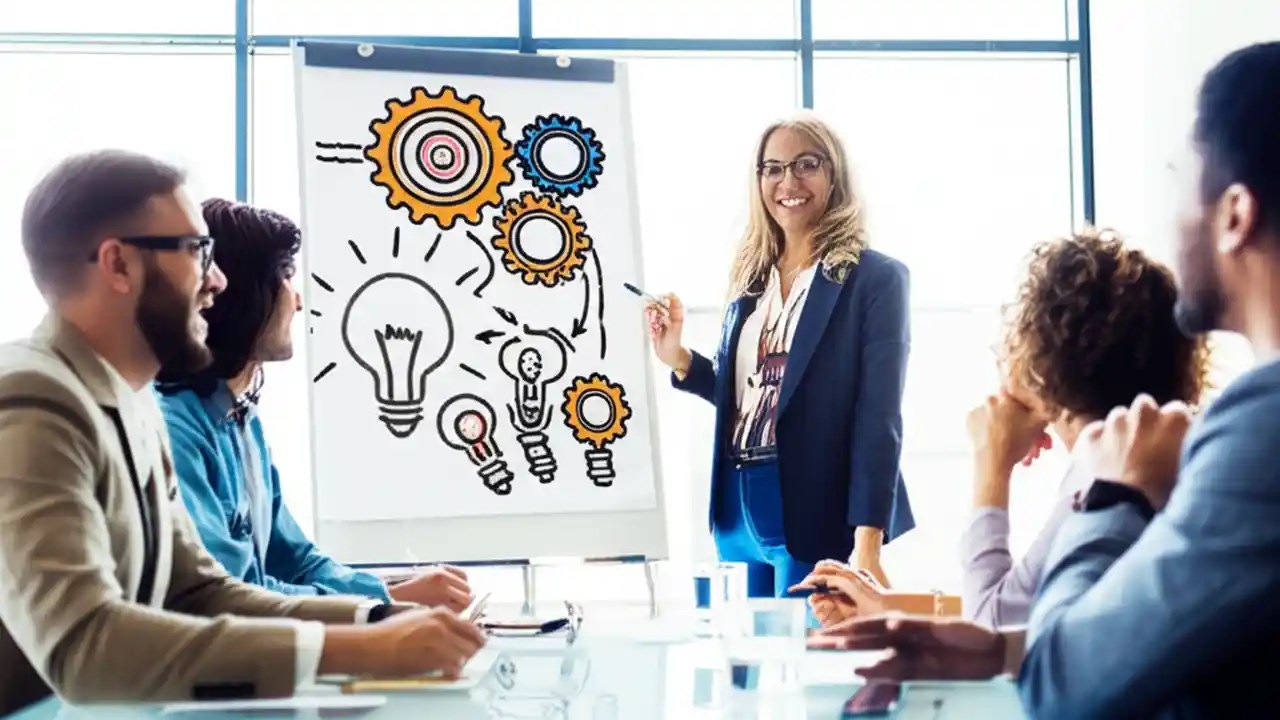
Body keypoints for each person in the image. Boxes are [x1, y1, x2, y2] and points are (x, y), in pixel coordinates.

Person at [814, 41, 1280, 718]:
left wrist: (1113, 491)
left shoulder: (1257, 429)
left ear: (1234, 213)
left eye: (1182, 179)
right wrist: (1003, 650)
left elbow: (1069, 688)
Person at [0, 151, 485, 716]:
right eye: (197, 251)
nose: (217, 279)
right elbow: (85, 647)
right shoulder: (32, 399)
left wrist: (377, 618)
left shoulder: (130, 402)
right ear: (118, 264)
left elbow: (200, 592)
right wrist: (356, 648)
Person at [794, 230, 1207, 628]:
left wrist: (992, 465)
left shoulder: (1107, 476)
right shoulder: (1140, 456)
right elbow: (1028, 604)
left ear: (1046, 353)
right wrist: (886, 605)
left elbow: (996, 620)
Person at [155, 198, 471, 611]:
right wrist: (383, 601)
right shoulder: (174, 428)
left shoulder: (241, 419)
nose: (298, 301)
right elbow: (227, 596)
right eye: (286, 276)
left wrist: (394, 590)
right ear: (245, 294)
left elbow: (296, 562)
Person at [645, 115, 914, 598]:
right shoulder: (751, 280)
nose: (788, 182)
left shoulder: (875, 280)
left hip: (813, 507)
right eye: (772, 168)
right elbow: (759, 396)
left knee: (813, 662)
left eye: (806, 165)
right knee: (740, 666)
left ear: (835, 175)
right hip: (735, 510)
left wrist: (868, 540)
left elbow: (879, 417)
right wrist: (681, 358)